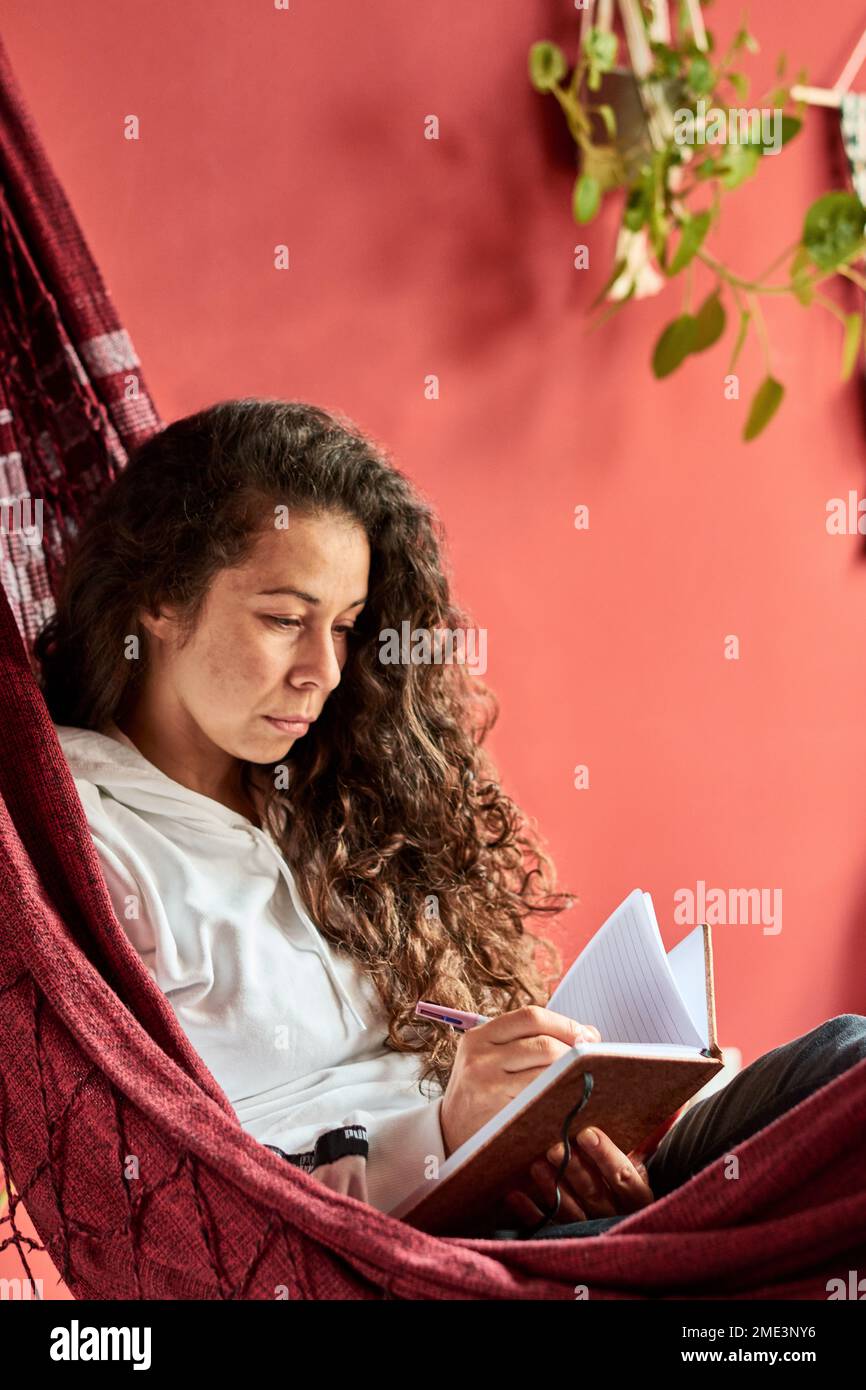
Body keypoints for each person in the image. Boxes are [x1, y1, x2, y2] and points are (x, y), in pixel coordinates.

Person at [34, 398, 866, 1238]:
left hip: (515, 1170)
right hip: (405, 1247)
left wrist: (610, 1106)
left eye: (347, 627)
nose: (322, 670)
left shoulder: (323, 795)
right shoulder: (76, 848)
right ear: (160, 601)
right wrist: (444, 1138)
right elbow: (192, 1215)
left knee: (844, 1062)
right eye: (285, 620)